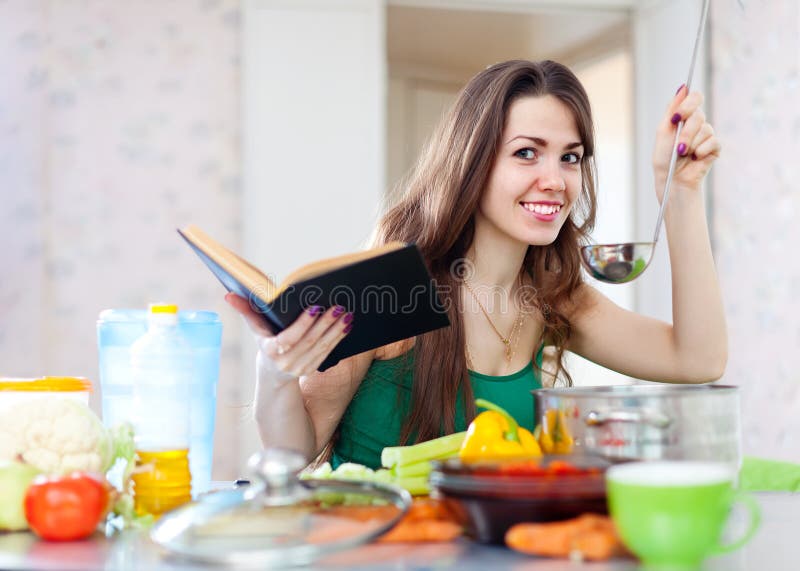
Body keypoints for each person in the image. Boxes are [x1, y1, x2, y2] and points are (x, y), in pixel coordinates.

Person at [226, 59, 725, 469]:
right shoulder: (391, 287)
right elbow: (292, 453)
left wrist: (680, 192)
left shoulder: (554, 297)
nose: (555, 181)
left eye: (570, 158)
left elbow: (697, 360)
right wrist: (275, 372)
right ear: (472, 162)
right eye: (526, 153)